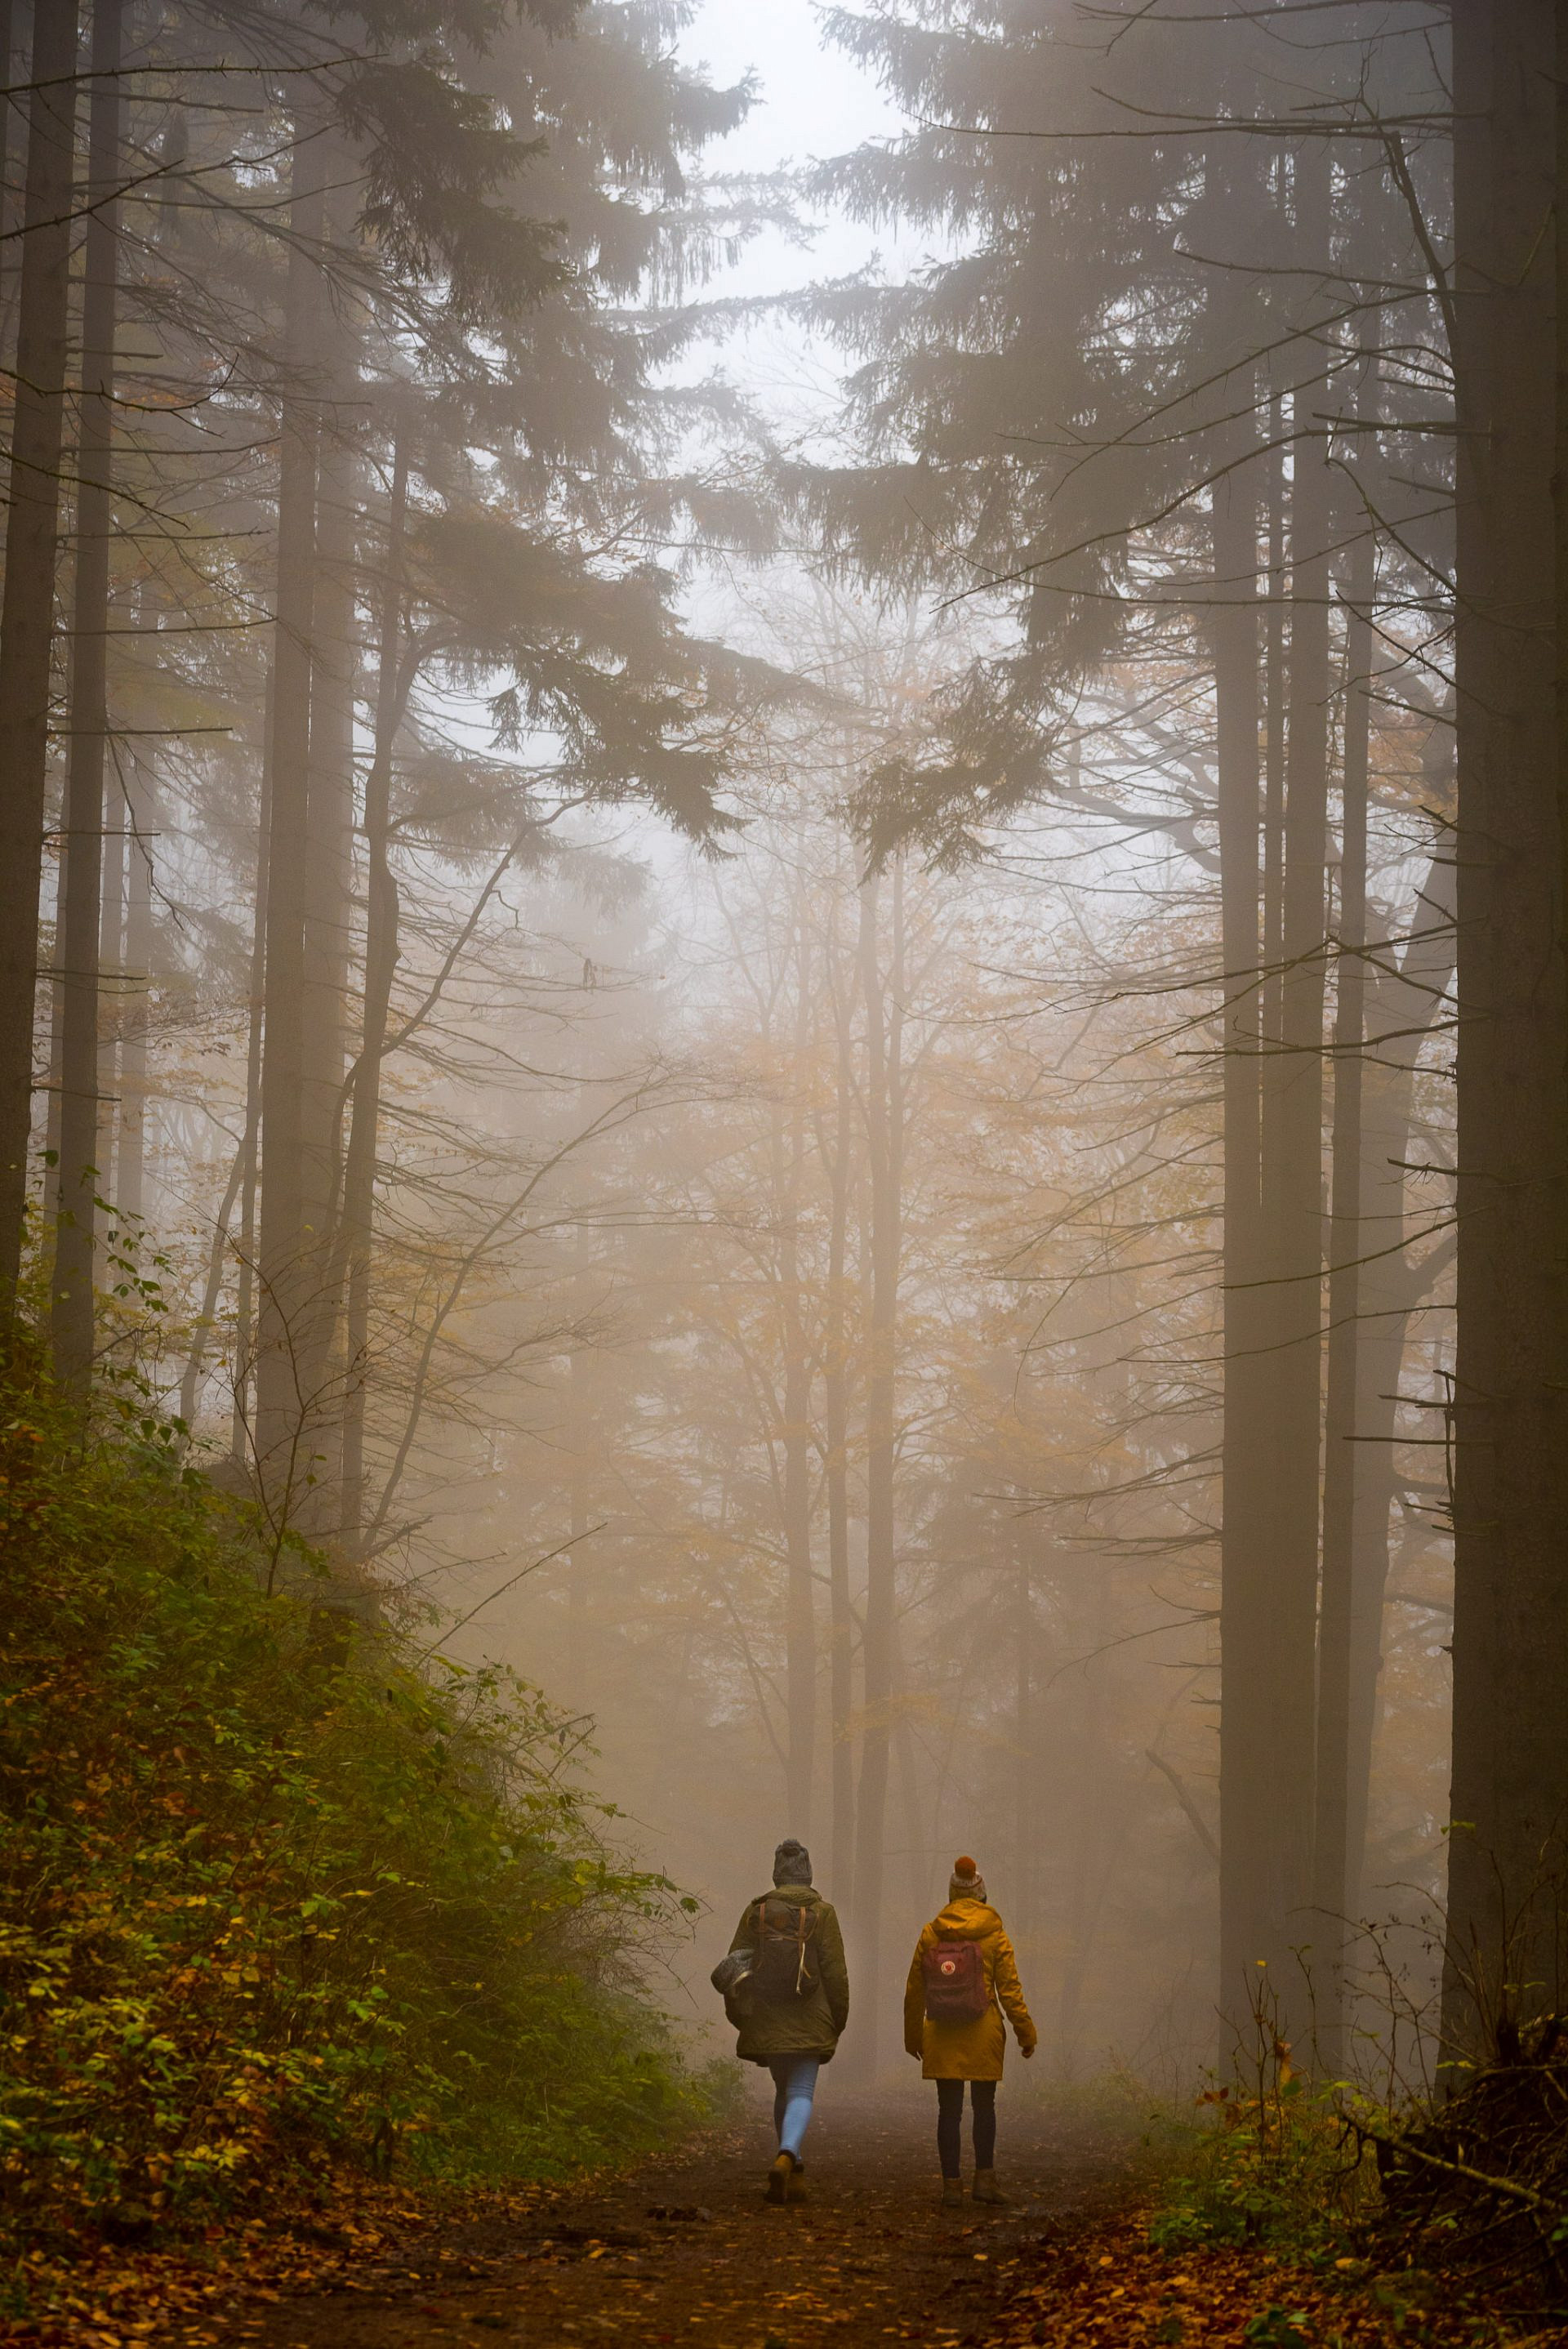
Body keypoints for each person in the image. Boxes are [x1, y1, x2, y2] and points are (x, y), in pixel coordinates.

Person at [719, 1838, 849, 2204]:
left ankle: (794, 2170)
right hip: (812, 2018)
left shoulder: (755, 1913)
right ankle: (788, 2154)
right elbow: (835, 1973)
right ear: (807, 1874)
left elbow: (735, 1965)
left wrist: (741, 2015)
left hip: (768, 2016)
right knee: (802, 2092)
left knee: (783, 2090)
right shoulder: (823, 1913)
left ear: (777, 1874)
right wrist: (837, 2018)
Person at [904, 1854, 1036, 2207]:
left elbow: (915, 1990)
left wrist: (912, 2035)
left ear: (951, 1894)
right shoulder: (995, 1935)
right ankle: (985, 2182)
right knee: (984, 2107)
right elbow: (1009, 1990)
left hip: (941, 2031)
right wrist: (1026, 2032)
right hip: (983, 2031)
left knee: (948, 2111)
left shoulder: (932, 1933)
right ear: (982, 1895)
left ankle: (951, 2187)